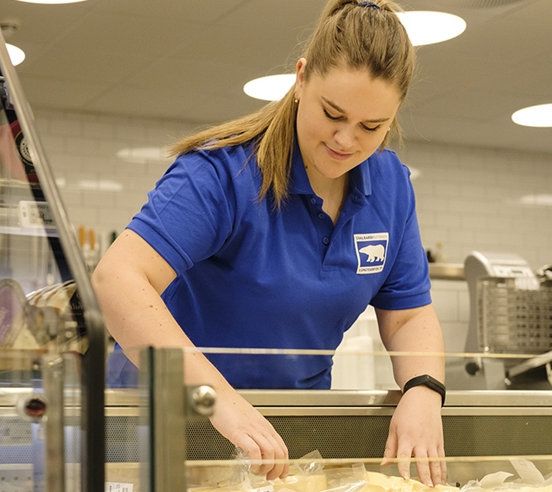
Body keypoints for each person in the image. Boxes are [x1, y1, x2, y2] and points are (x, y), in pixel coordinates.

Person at [91, 0, 446, 486]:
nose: (346, 140)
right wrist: (218, 400)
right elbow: (117, 280)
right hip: (167, 424)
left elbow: (408, 314)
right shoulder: (223, 173)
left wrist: (423, 390)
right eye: (333, 113)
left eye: (371, 127)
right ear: (301, 79)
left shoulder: (390, 187)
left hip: (285, 432)